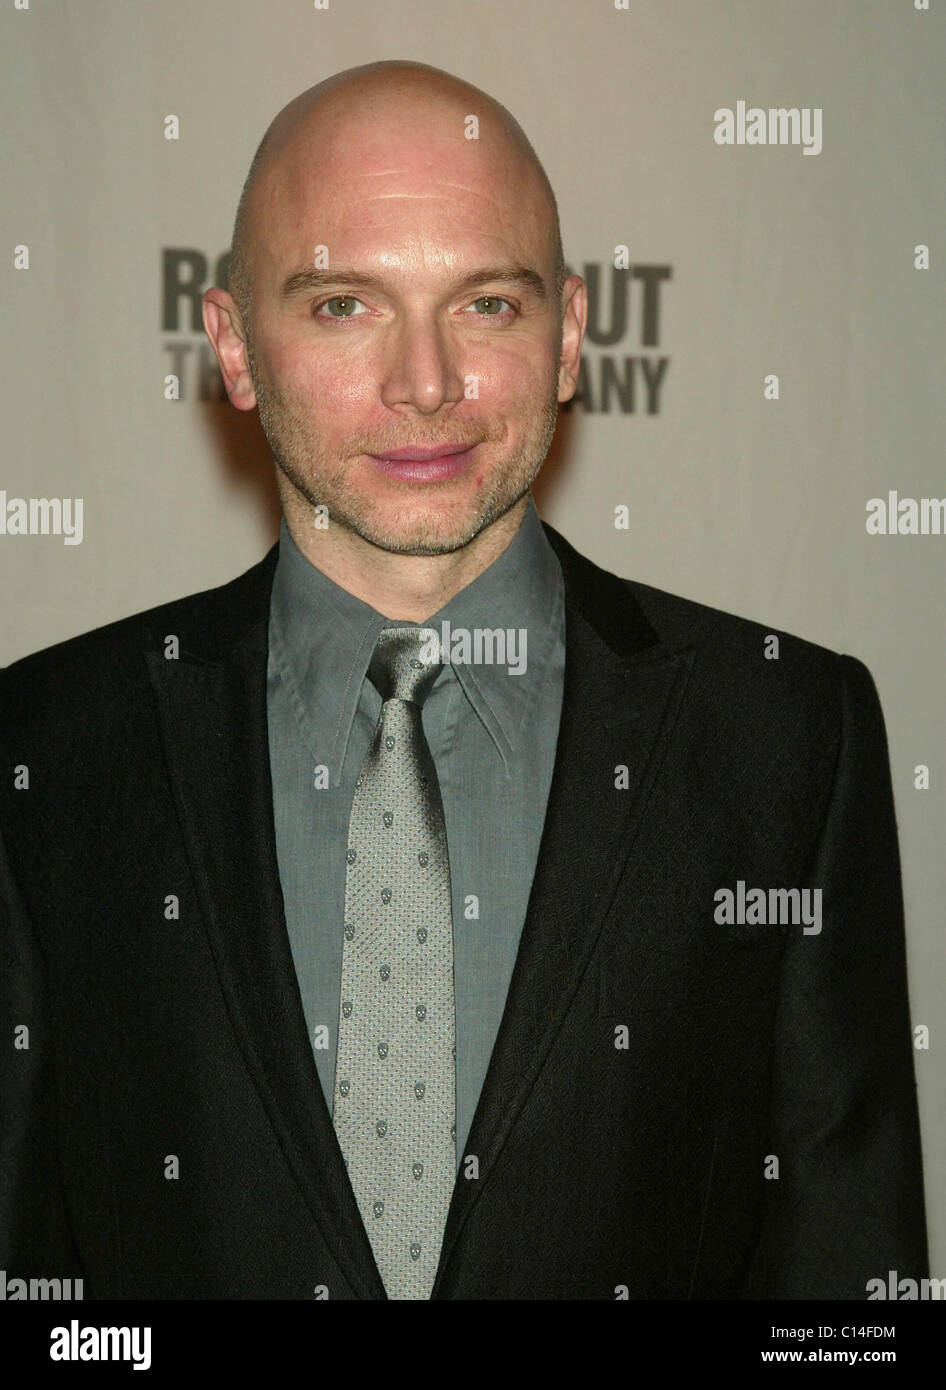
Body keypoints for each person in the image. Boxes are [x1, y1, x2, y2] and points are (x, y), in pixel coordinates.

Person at [0, 60, 928, 1300]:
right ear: (233, 344)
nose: (426, 382)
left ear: (570, 337)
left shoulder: (785, 737)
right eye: (343, 305)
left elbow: (846, 1291)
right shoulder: (50, 751)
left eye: (486, 303)